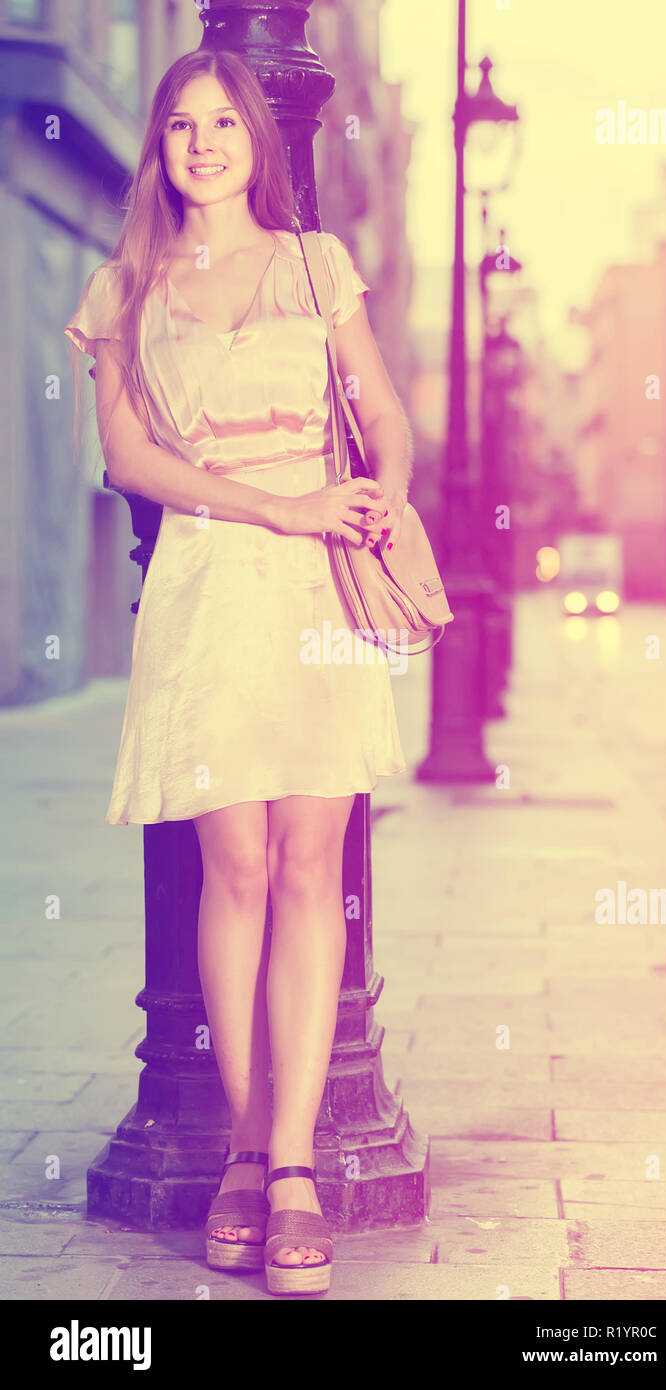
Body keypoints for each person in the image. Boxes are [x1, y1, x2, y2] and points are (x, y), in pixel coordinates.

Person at [64, 48, 411, 1297]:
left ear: (260, 140)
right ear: (160, 148)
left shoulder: (315, 267)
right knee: (239, 864)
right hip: (210, 586)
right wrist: (277, 508)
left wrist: (381, 500)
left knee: (313, 865)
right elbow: (128, 463)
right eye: (182, 126)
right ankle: (246, 1153)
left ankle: (293, 1165)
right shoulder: (122, 290)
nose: (202, 142)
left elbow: (383, 410)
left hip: (318, 587)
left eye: (223, 122)